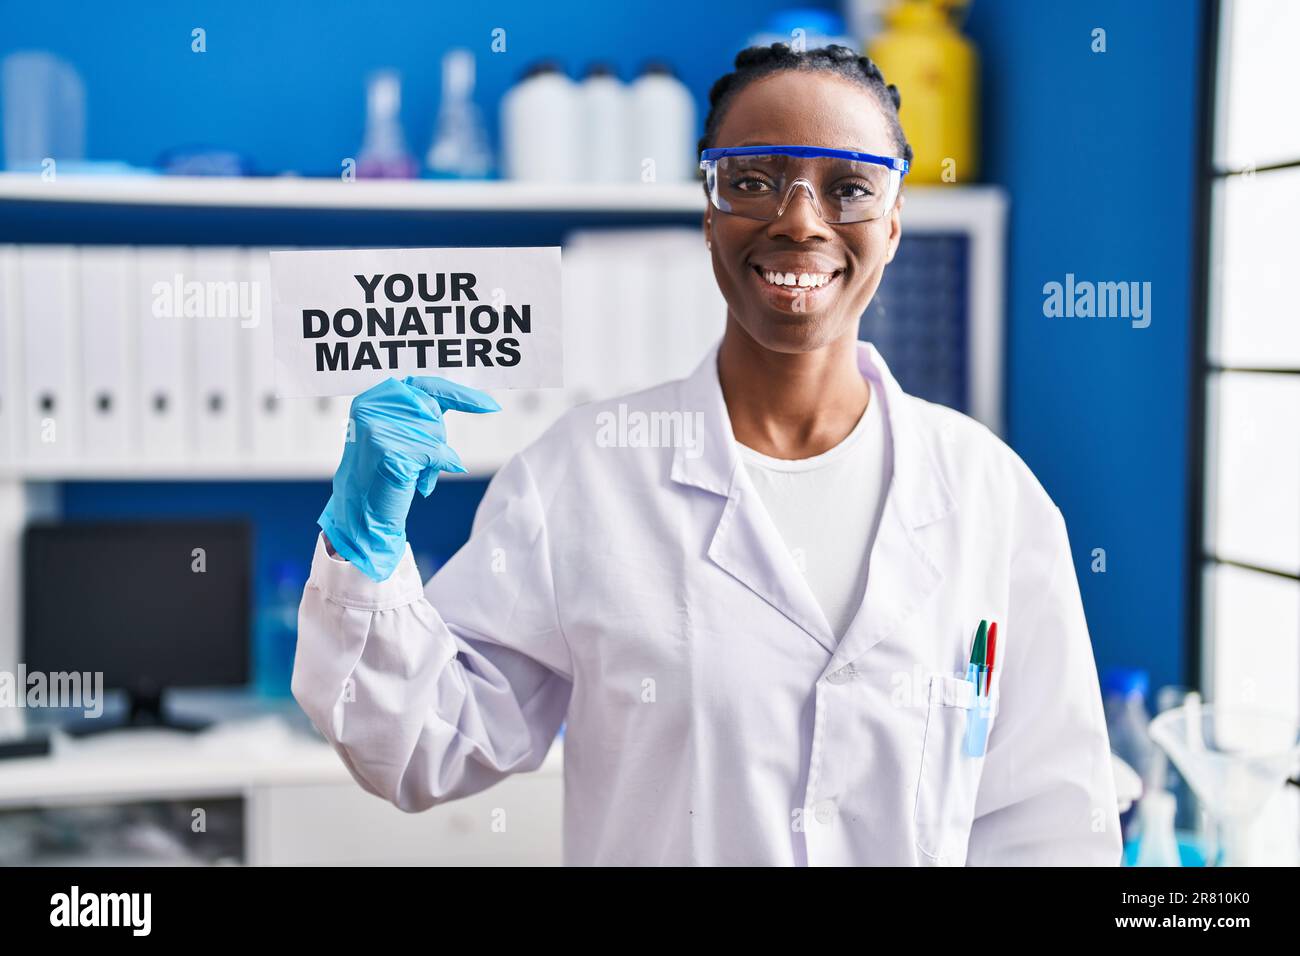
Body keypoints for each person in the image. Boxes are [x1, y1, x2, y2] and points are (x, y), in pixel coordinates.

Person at [293, 43, 1122, 866]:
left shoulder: (991, 496)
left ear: (893, 225)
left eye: (850, 189)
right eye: (754, 181)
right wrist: (367, 538)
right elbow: (422, 745)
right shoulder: (582, 476)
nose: (799, 219)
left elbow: (1050, 826)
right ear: (710, 212)